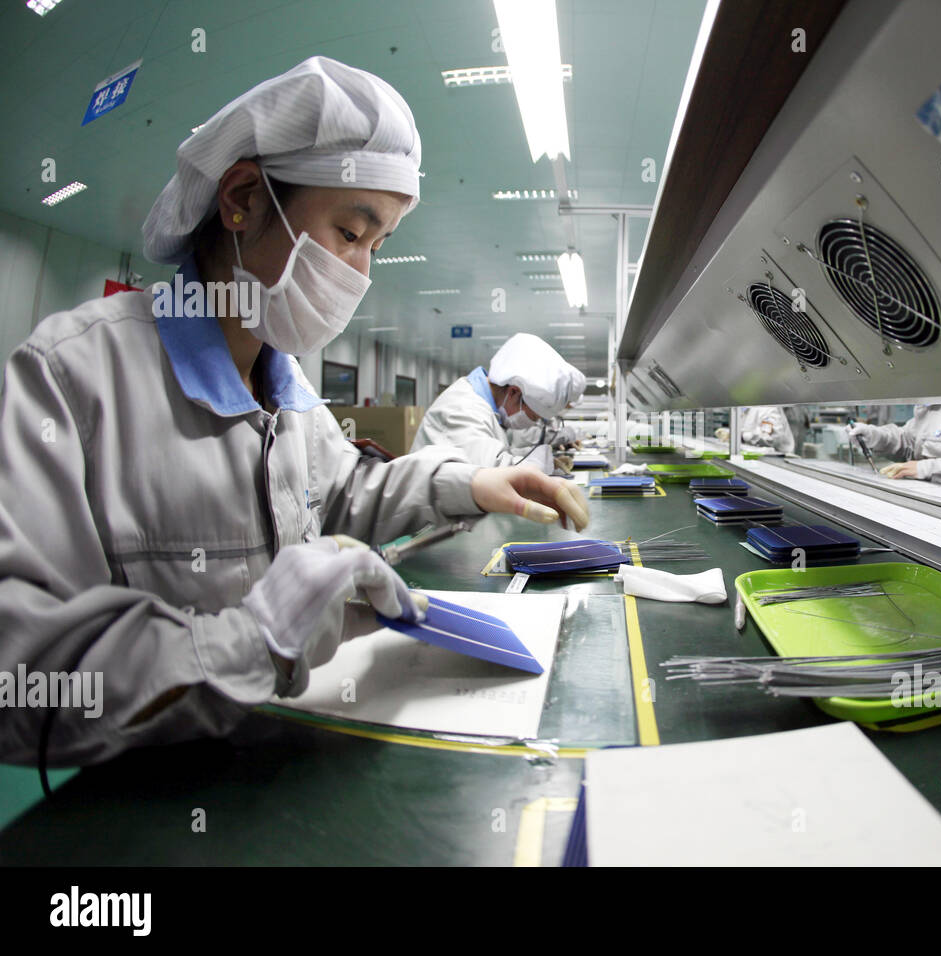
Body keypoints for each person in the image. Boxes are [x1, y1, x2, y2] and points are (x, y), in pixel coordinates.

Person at [0, 57, 588, 769]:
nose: (363, 273)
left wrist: (466, 485)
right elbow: (23, 674)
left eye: (379, 245)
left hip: (280, 754)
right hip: (148, 794)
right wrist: (258, 639)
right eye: (349, 232)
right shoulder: (73, 377)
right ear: (242, 197)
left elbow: (342, 491)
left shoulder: (285, 384)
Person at [411, 333, 585, 471]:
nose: (533, 423)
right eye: (534, 416)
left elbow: (493, 454)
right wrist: (542, 464)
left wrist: (544, 461)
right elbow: (491, 473)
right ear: (514, 392)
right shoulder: (463, 410)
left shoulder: (487, 409)